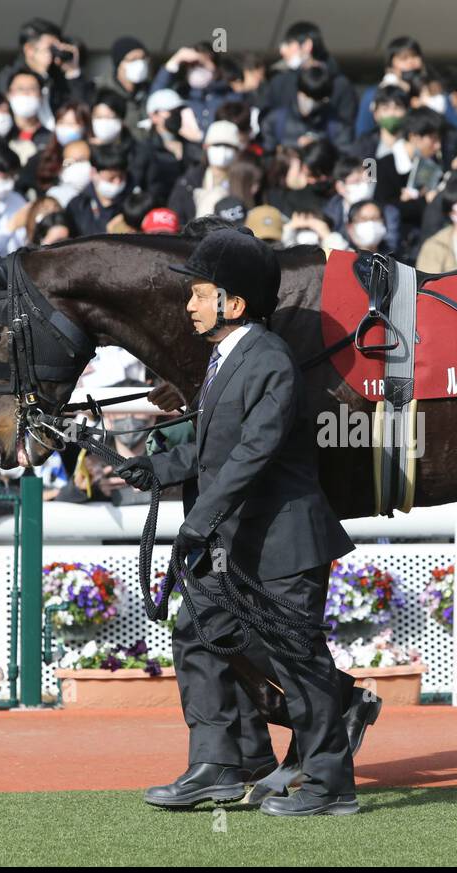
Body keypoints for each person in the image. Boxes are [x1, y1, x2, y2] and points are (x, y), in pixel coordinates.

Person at [117, 228, 365, 816]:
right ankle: (218, 763)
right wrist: (156, 468)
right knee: (197, 635)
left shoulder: (270, 359)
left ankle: (331, 785)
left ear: (235, 303)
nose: (190, 305)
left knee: (296, 657)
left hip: (280, 542)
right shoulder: (225, 358)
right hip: (234, 540)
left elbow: (254, 453)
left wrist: (197, 521)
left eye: (201, 295)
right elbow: (212, 449)